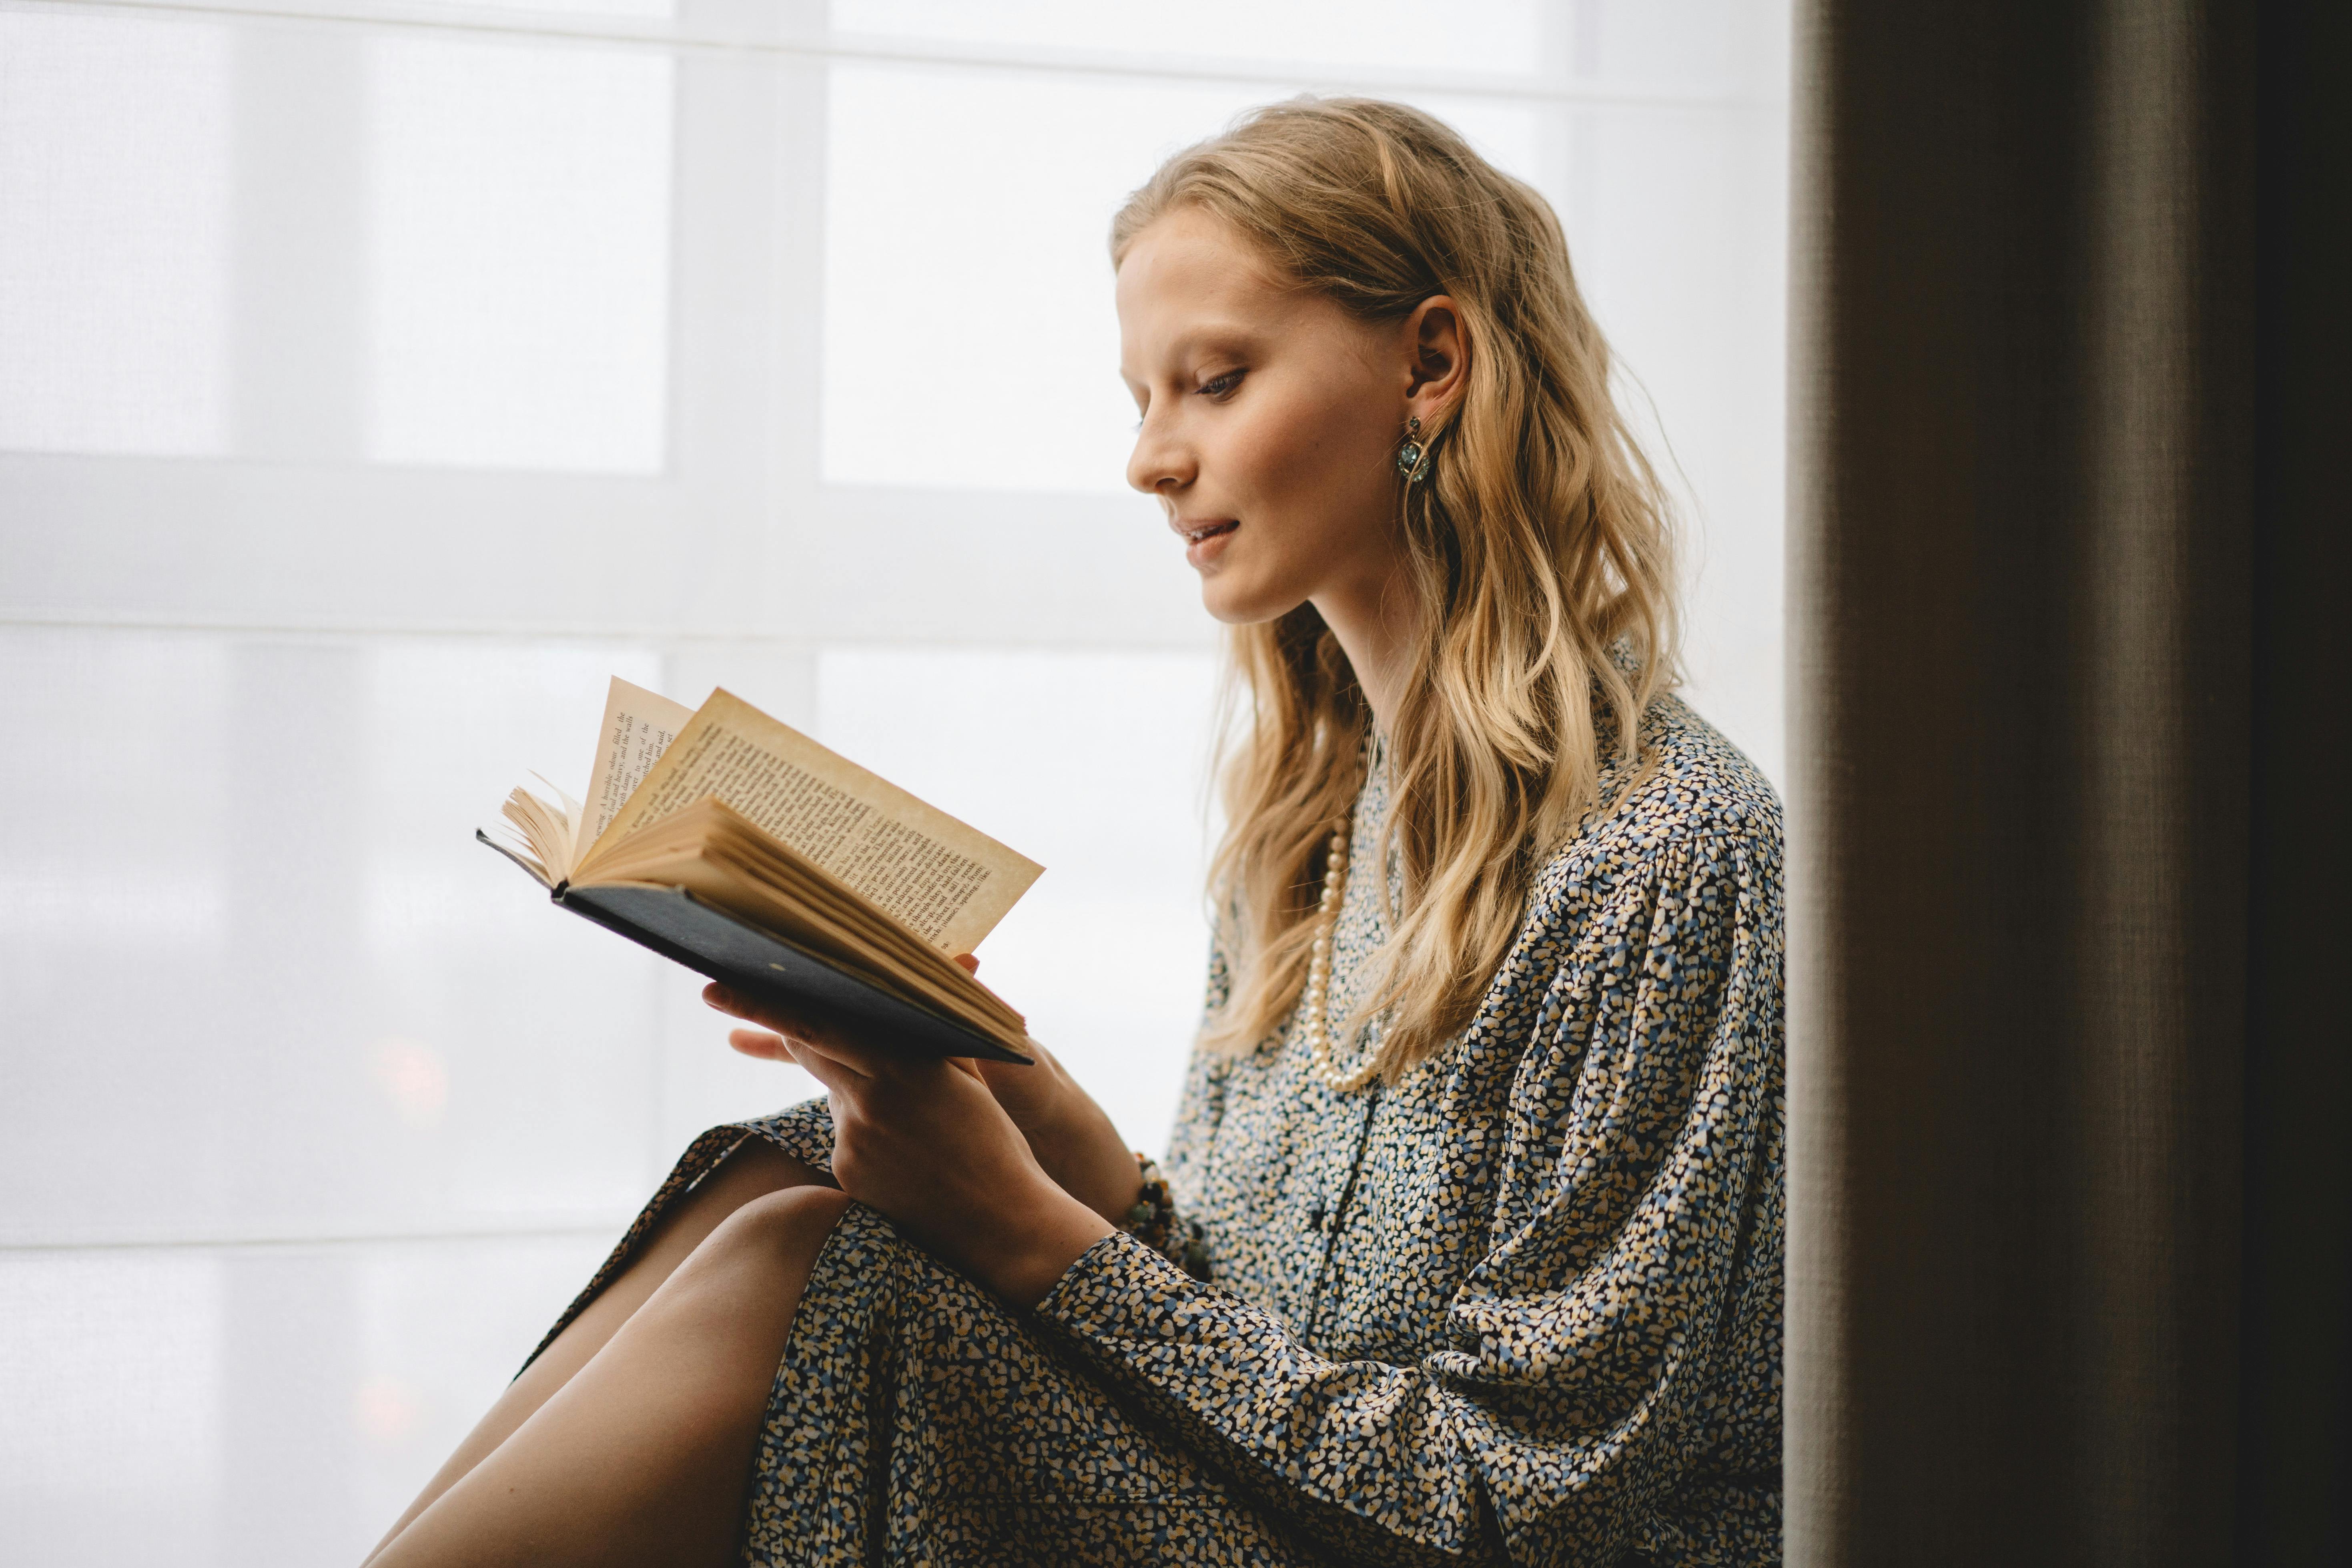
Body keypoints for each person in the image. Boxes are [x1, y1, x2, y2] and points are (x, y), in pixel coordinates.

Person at [363, 96, 1785, 1568]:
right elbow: (1242, 1323)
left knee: (816, 1263)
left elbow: (1509, 1506)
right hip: (1294, 1507)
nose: (1151, 460)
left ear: (1430, 364)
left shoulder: (1669, 854)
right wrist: (1028, 1103)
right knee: (795, 1160)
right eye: (1142, 400)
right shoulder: (1316, 823)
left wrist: (1016, 1225)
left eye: (1215, 382)